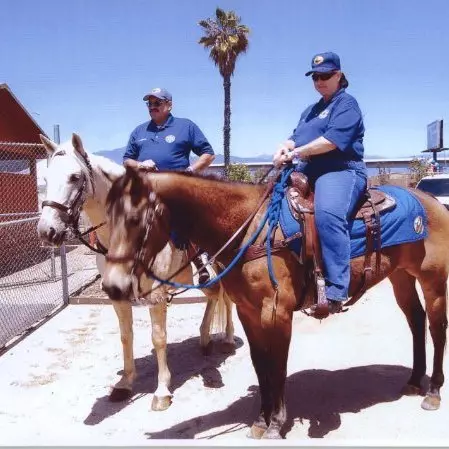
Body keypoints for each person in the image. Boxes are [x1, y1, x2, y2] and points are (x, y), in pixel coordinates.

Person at [273, 51, 368, 317]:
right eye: (316, 77)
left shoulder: (347, 104)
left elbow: (332, 142)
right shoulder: (310, 110)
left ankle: (337, 289)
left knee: (327, 215)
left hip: (340, 169)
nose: (320, 81)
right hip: (308, 169)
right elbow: (295, 138)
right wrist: (283, 147)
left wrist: (296, 153)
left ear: (339, 75)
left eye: (326, 75)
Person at [123, 87, 215, 284]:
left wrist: (190, 171)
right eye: (150, 103)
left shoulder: (186, 126)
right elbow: (126, 160)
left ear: (169, 105)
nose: (153, 107)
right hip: (147, 189)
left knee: (183, 218)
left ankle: (200, 261)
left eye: (158, 103)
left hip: (178, 188)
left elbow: (208, 154)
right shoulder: (139, 131)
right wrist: (140, 164)